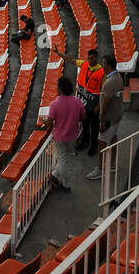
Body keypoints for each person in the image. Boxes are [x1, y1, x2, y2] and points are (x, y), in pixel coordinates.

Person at [38, 77, 85, 192]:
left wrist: (44, 120)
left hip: (60, 136)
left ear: (61, 89)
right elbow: (83, 117)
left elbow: (49, 123)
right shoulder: (77, 101)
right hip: (73, 134)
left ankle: (66, 184)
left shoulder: (55, 104)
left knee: (62, 159)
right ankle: (54, 174)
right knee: (66, 157)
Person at [91, 54, 123, 182]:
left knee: (101, 142)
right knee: (114, 138)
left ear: (108, 65)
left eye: (103, 63)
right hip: (117, 115)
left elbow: (106, 102)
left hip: (109, 118)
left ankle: (100, 169)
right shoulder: (118, 76)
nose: (102, 65)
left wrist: (102, 120)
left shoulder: (110, 82)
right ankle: (112, 165)